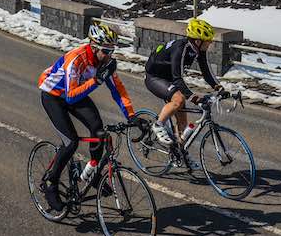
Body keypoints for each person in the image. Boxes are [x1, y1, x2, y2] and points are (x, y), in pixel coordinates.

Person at [38, 22, 134, 212]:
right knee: (71, 142)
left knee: (99, 131)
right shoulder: (77, 58)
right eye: (106, 50)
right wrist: (96, 80)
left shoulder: (106, 62)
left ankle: (92, 173)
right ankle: (51, 183)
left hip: (76, 94)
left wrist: (131, 115)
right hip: (54, 96)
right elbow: (71, 94)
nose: (109, 55)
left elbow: (118, 90)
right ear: (94, 46)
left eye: (112, 51)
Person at [144, 18, 226, 157]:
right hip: (154, 77)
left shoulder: (198, 50)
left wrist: (218, 87)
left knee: (183, 123)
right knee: (179, 99)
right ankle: (158, 124)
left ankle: (180, 154)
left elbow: (206, 71)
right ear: (198, 41)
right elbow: (178, 78)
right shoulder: (181, 48)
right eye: (208, 40)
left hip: (168, 79)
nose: (211, 42)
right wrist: (192, 96)